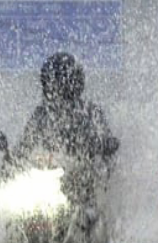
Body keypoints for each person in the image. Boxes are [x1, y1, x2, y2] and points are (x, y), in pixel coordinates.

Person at [14, 52, 118, 191]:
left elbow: (105, 141)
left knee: (90, 193)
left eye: (60, 81)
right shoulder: (41, 114)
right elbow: (26, 143)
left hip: (82, 178)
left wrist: (103, 145)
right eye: (52, 82)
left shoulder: (90, 112)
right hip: (47, 176)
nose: (57, 87)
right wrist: (13, 157)